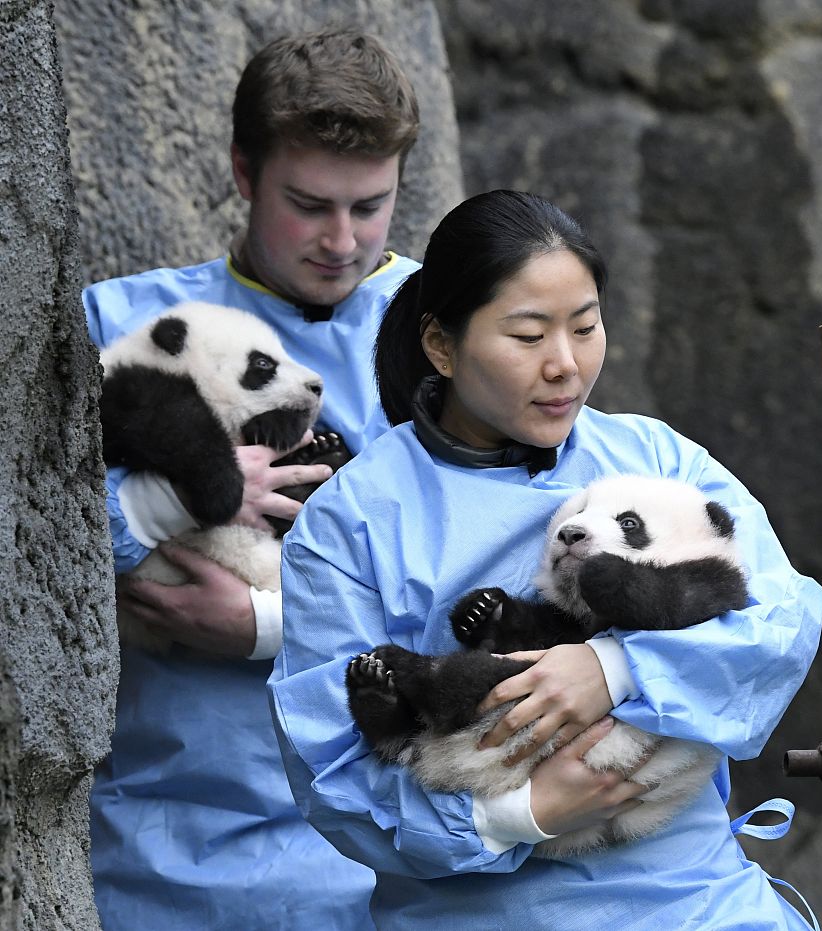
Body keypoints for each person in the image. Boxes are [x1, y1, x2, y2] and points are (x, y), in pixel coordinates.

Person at [268, 189, 822, 928]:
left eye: (585, 327)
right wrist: (516, 814)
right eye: (529, 335)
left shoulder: (654, 457)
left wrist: (615, 668)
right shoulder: (354, 519)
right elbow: (329, 768)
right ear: (442, 344)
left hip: (698, 902)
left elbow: (780, 620)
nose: (565, 364)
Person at [84, 29, 421, 929]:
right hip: (166, 837)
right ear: (243, 171)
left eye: (370, 205)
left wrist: (268, 626)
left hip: (390, 848)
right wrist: (168, 496)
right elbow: (33, 542)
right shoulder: (124, 320)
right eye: (308, 204)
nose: (341, 241)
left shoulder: (455, 338)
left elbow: (498, 583)